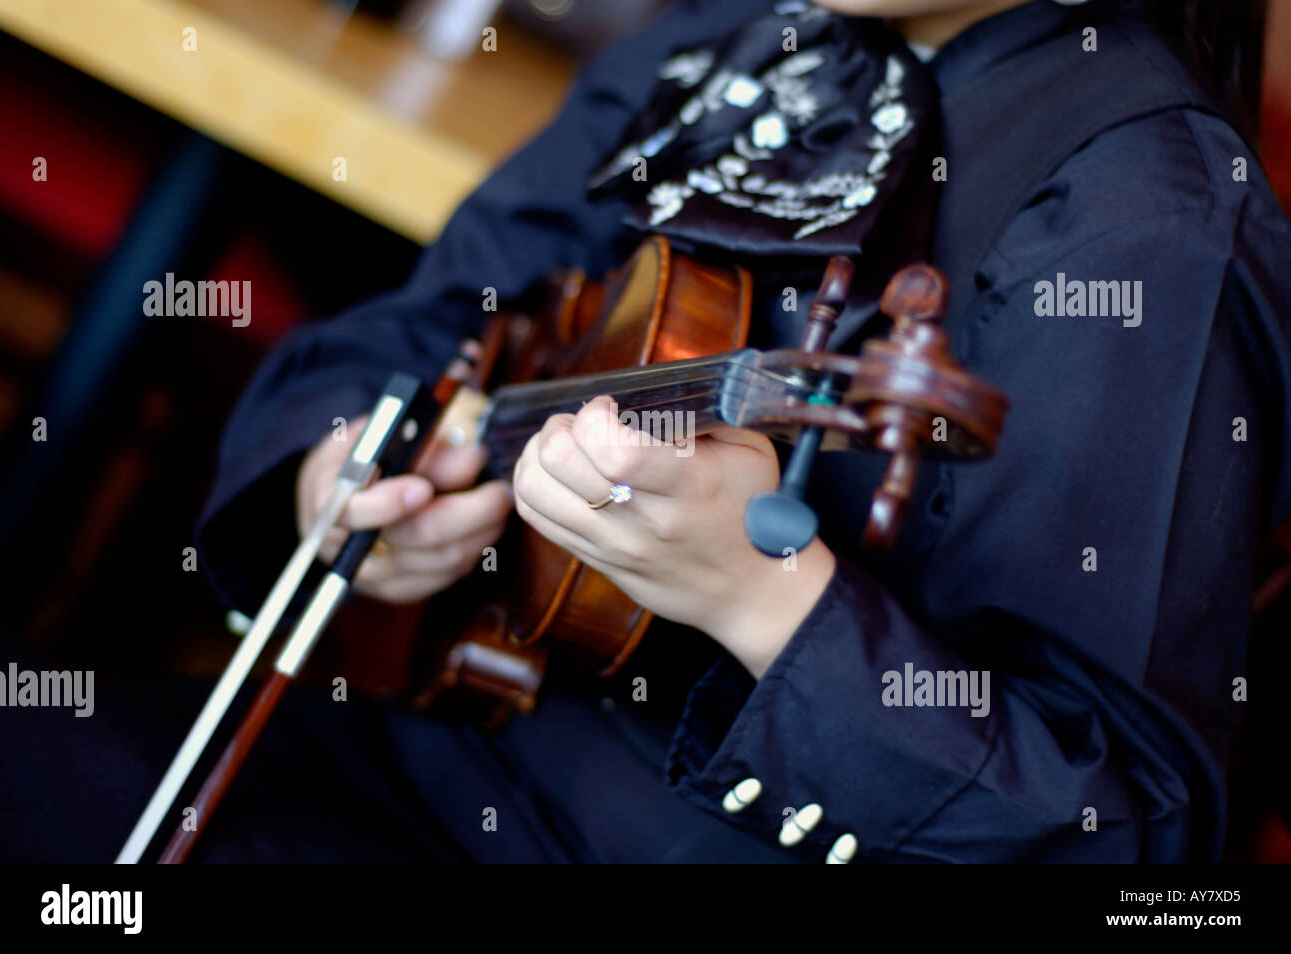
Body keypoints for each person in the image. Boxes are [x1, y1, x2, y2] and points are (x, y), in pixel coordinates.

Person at [176, 0, 1289, 862]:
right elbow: (430, 316)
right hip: (387, 719)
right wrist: (333, 475)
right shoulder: (741, 33)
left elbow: (1131, 836)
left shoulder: (1144, 226)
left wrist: (764, 604)